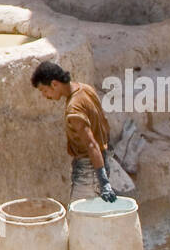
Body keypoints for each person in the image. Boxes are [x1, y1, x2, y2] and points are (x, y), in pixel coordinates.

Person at [30, 61, 117, 204]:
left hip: (89, 170)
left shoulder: (74, 109)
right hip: (100, 160)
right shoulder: (85, 89)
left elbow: (91, 145)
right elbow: (104, 123)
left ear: (54, 84)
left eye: (44, 90)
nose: (45, 96)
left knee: (78, 219)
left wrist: (103, 182)